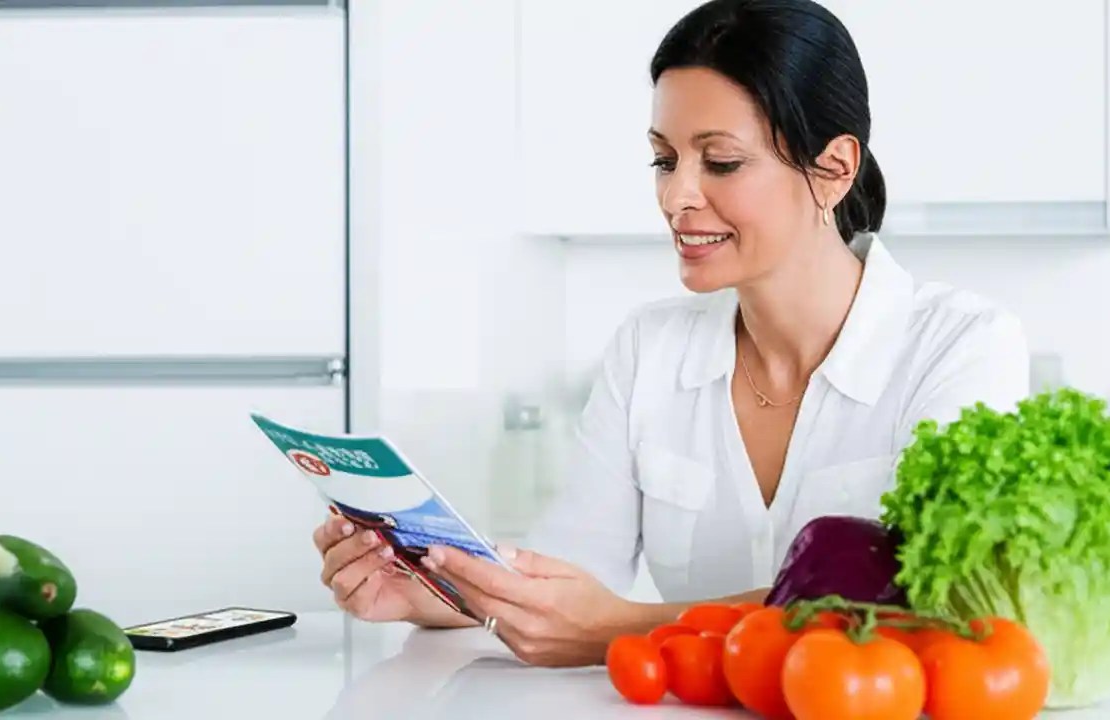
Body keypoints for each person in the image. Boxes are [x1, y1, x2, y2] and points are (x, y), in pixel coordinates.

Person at [312, 0, 1030, 668]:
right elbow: (570, 578)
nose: (676, 196)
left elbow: (931, 603)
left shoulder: (962, 347)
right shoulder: (648, 348)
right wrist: (439, 590)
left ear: (833, 169)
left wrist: (620, 628)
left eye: (720, 162)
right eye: (664, 158)